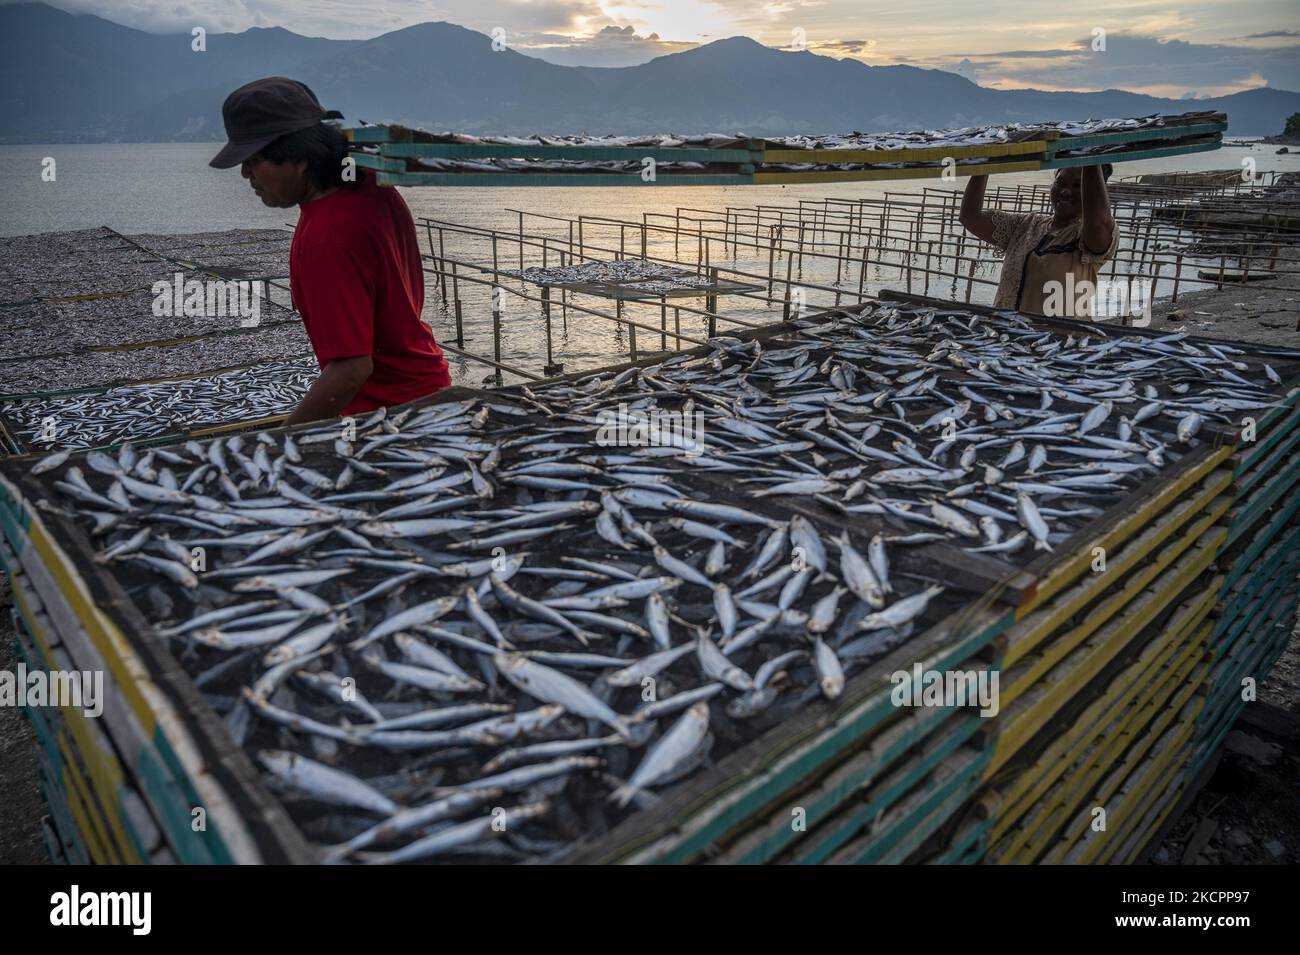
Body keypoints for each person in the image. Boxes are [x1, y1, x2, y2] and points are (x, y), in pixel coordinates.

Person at [209, 77, 451, 425]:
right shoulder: (367, 182)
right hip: (430, 389)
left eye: (253, 159)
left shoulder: (325, 239)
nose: (246, 173)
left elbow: (352, 367)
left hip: (391, 416)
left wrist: (282, 440)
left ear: (298, 158)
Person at [959, 165, 1119, 319]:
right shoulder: (1024, 225)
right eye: (1060, 183)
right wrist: (987, 163)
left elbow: (1098, 223)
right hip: (1005, 339)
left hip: (1057, 342)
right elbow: (970, 216)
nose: (1065, 192)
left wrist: (1091, 159)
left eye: (1078, 185)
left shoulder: (1087, 236)